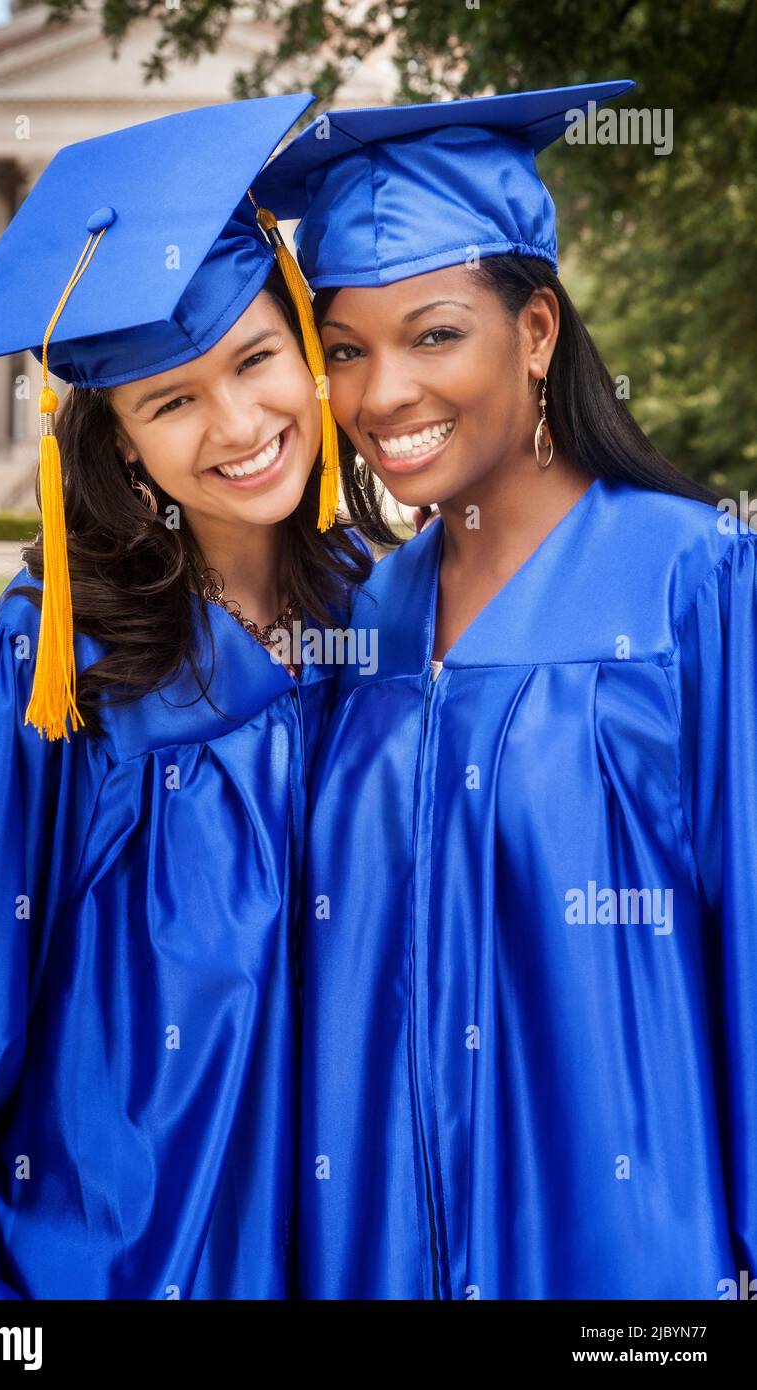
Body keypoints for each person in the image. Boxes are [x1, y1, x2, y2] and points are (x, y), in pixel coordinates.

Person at [256, 82, 757, 1299]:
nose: (381, 398)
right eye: (346, 351)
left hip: (620, 1272)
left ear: (534, 332)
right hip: (370, 1255)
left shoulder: (693, 577)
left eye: (435, 334)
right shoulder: (354, 621)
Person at [0, 94, 370, 1300]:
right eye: (170, 400)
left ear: (306, 348)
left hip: (351, 1240)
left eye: (256, 359)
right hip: (117, 1259)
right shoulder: (44, 673)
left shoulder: (384, 616)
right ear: (116, 444)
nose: (238, 423)